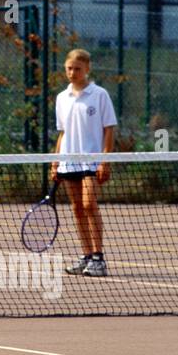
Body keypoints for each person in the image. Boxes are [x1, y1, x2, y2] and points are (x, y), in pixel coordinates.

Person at [50, 47, 116, 277]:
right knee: (77, 209)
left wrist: (104, 161)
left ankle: (99, 258)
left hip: (91, 161)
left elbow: (109, 130)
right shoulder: (61, 98)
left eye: (77, 69)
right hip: (69, 161)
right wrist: (55, 162)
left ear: (87, 69)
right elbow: (62, 134)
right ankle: (86, 256)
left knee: (89, 204)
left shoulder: (100, 95)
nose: (72, 73)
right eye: (69, 68)